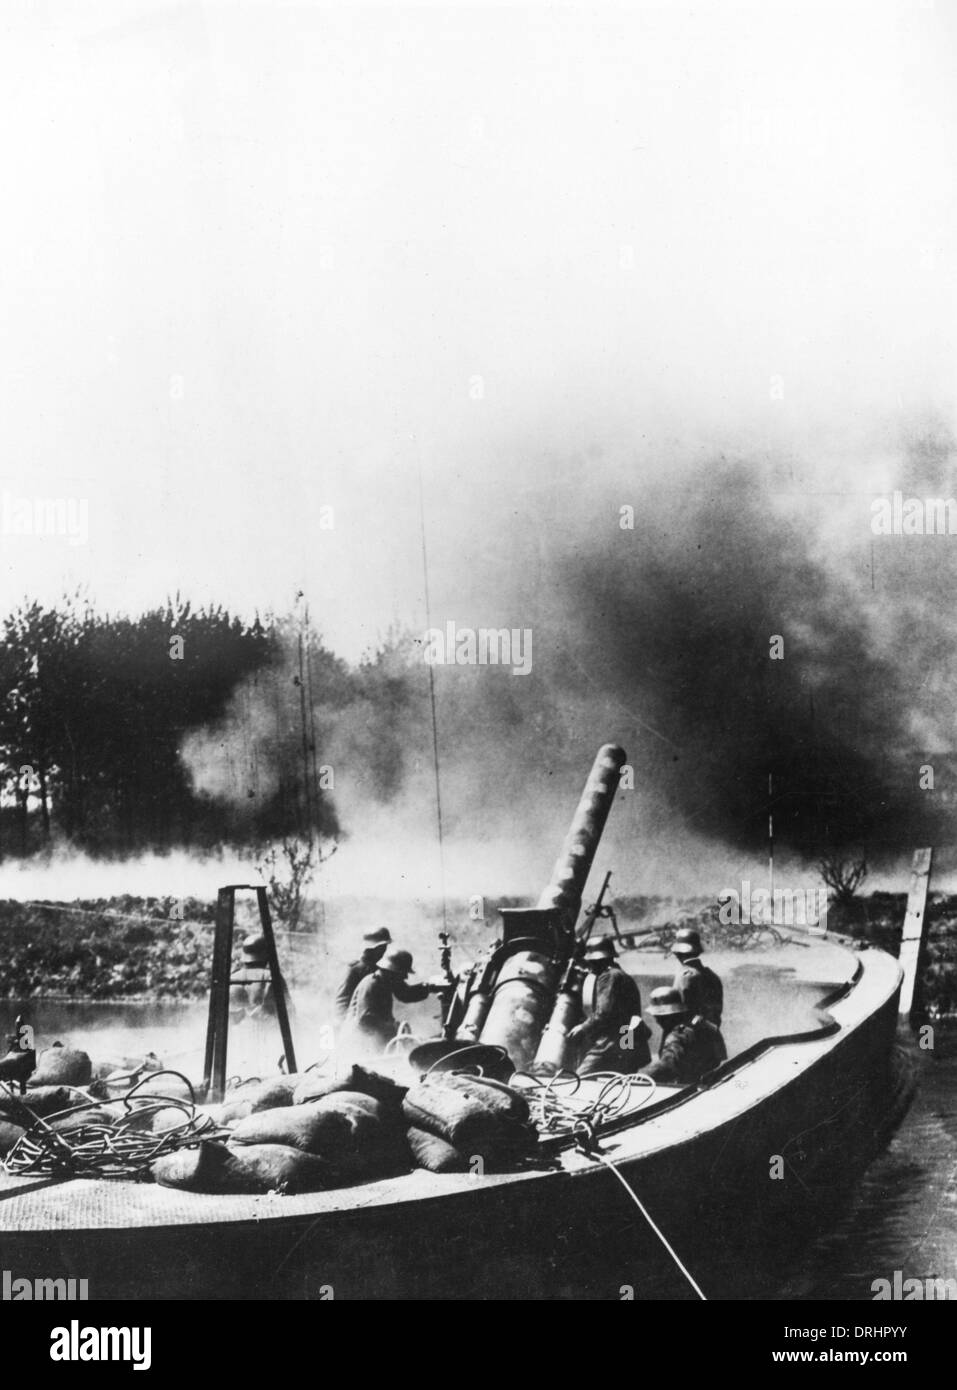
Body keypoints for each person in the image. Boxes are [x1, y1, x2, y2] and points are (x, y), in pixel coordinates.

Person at [567, 937, 651, 1075]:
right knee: (622, 1075)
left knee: (581, 1077)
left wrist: (583, 1028)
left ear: (596, 960)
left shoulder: (608, 977)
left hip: (612, 1041)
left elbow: (604, 1012)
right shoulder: (622, 975)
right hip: (628, 1037)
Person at [346, 947, 445, 1054]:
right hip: (360, 1043)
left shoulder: (386, 980)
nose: (406, 977)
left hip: (374, 1040)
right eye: (403, 974)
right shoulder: (372, 985)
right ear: (392, 972)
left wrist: (429, 987)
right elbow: (366, 1021)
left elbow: (406, 994)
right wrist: (395, 1028)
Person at [641, 987, 727, 1085]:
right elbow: (721, 1058)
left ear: (666, 1016)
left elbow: (667, 1066)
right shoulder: (706, 1025)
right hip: (714, 1084)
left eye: (658, 1017)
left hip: (687, 1089)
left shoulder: (678, 1035)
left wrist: (641, 1079)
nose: (657, 1021)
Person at [334, 928, 392, 1019]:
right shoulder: (354, 970)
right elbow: (341, 1004)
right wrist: (346, 1030)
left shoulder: (378, 970)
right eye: (382, 947)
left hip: (376, 1025)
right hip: (357, 1026)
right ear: (374, 949)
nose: (384, 951)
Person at [671, 928, 723, 1027]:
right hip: (712, 1035)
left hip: (688, 1036)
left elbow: (677, 1012)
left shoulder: (685, 977)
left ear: (678, 953)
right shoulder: (712, 975)